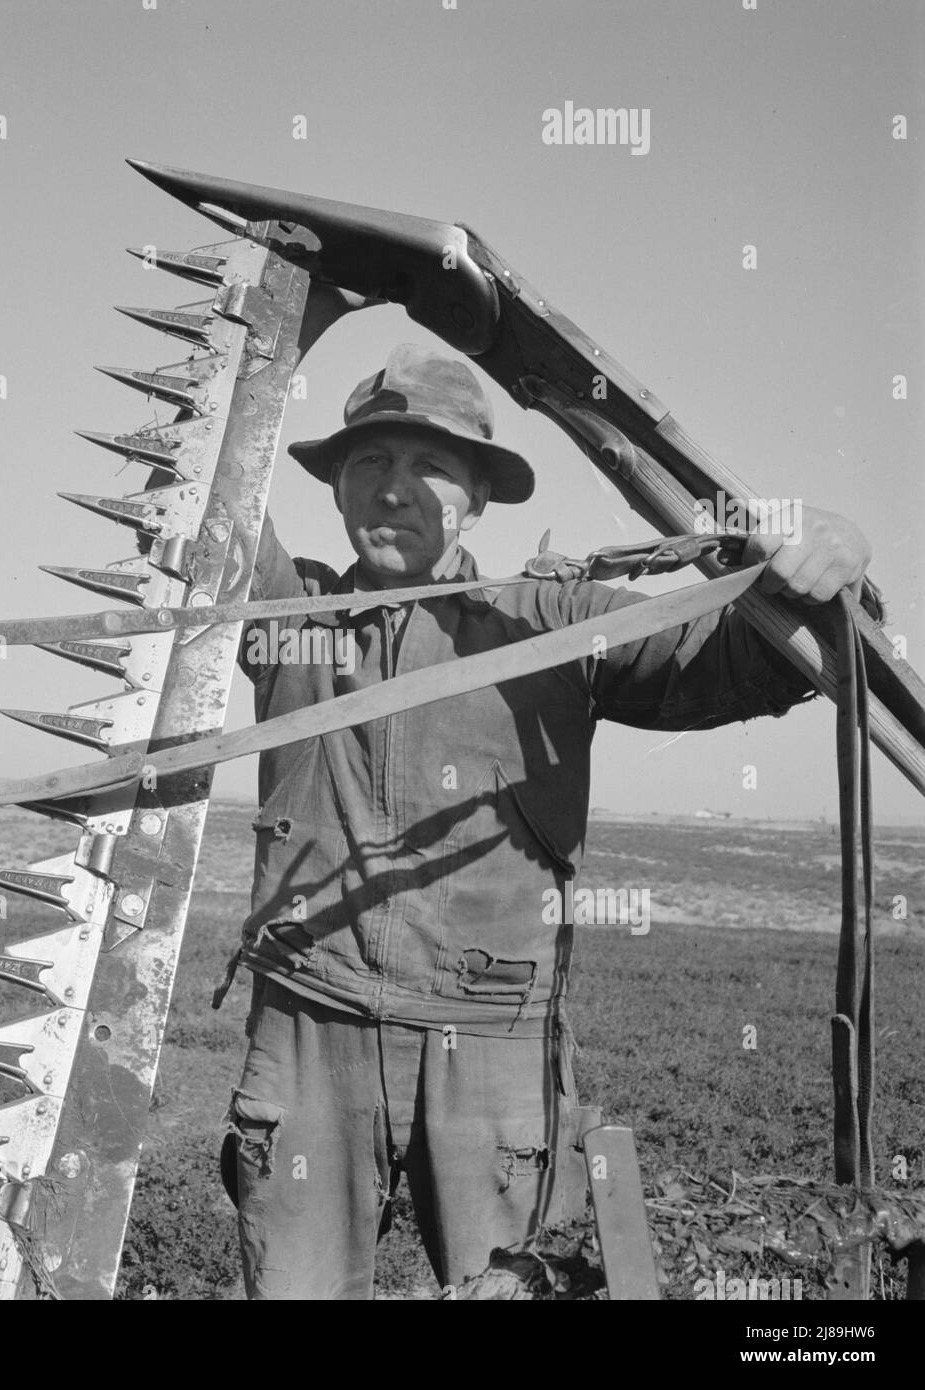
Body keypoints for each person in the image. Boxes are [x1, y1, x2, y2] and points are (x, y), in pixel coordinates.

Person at [220, 292, 872, 1301]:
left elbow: (741, 655)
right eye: (369, 463)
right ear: (338, 489)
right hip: (309, 1032)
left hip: (492, 1048)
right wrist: (263, 318)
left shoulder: (557, 623)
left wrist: (825, 573)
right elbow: (211, 502)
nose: (395, 489)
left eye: (429, 464)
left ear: (478, 498)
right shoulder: (289, 618)